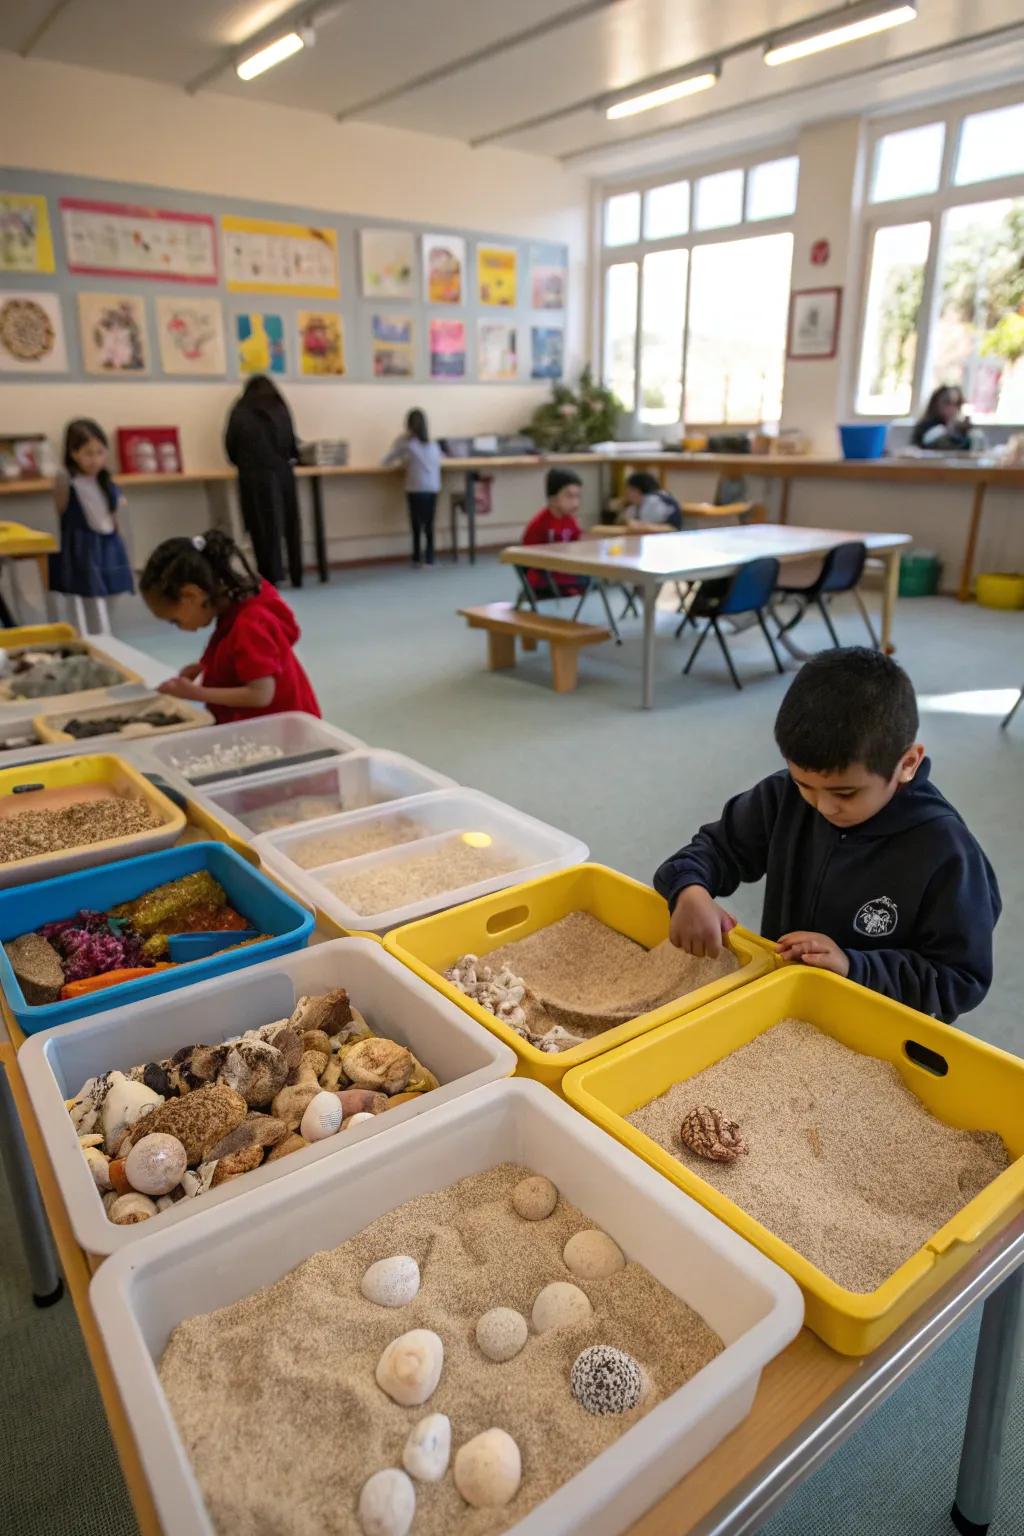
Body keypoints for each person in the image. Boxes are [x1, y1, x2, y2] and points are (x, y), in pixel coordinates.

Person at [654, 648, 1000, 1023]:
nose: (823, 806)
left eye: (846, 793)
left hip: (872, 1027)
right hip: (785, 1006)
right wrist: (689, 889)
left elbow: (959, 979)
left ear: (907, 763)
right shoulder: (784, 795)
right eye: (806, 785)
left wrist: (854, 966)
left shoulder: (947, 851)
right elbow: (714, 849)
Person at [141, 529, 320, 725]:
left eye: (175, 620)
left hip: (286, 732)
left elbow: (260, 695)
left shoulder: (251, 623)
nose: (179, 628)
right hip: (267, 726)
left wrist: (195, 693)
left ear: (191, 595)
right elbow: (238, 651)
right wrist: (207, 666)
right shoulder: (236, 604)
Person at [48, 419, 134, 632]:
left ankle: (105, 634)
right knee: (88, 596)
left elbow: (116, 512)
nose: (95, 459)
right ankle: (90, 636)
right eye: (88, 453)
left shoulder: (106, 479)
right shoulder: (67, 480)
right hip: (84, 546)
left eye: (100, 452)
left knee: (112, 592)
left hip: (108, 543)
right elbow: (61, 509)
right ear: (73, 453)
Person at [224, 376, 302, 587]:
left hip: (253, 475)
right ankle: (297, 574)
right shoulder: (280, 407)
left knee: (262, 527)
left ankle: (270, 577)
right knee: (290, 525)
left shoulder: (240, 409)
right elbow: (292, 443)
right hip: (283, 473)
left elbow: (230, 447)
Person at [383, 409, 442, 567]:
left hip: (415, 488)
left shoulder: (405, 442)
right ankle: (430, 559)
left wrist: (403, 462)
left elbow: (386, 460)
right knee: (429, 525)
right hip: (432, 488)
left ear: (408, 425)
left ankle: (416, 558)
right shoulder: (433, 444)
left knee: (416, 524)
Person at [522, 468, 587, 597]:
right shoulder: (540, 524)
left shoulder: (571, 521)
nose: (576, 503)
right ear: (553, 499)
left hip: (565, 572)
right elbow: (526, 559)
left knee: (594, 579)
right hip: (544, 579)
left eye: (577, 496)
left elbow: (577, 544)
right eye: (569, 496)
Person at [911, 385, 986, 452]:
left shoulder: (964, 429)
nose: (952, 408)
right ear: (936, 403)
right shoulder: (926, 427)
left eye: (957, 404)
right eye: (947, 403)